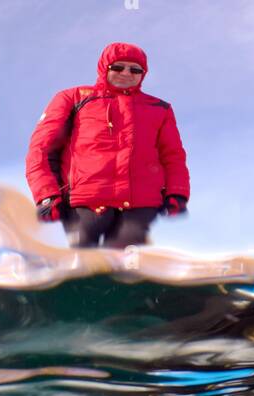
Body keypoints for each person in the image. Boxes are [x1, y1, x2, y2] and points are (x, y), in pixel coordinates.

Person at [25, 41, 190, 249]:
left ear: (143, 74)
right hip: (84, 201)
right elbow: (41, 149)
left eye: (135, 69)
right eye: (118, 67)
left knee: (123, 256)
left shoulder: (159, 108)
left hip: (141, 204)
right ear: (104, 68)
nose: (126, 73)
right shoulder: (73, 98)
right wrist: (46, 195)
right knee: (84, 253)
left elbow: (173, 156)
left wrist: (177, 192)